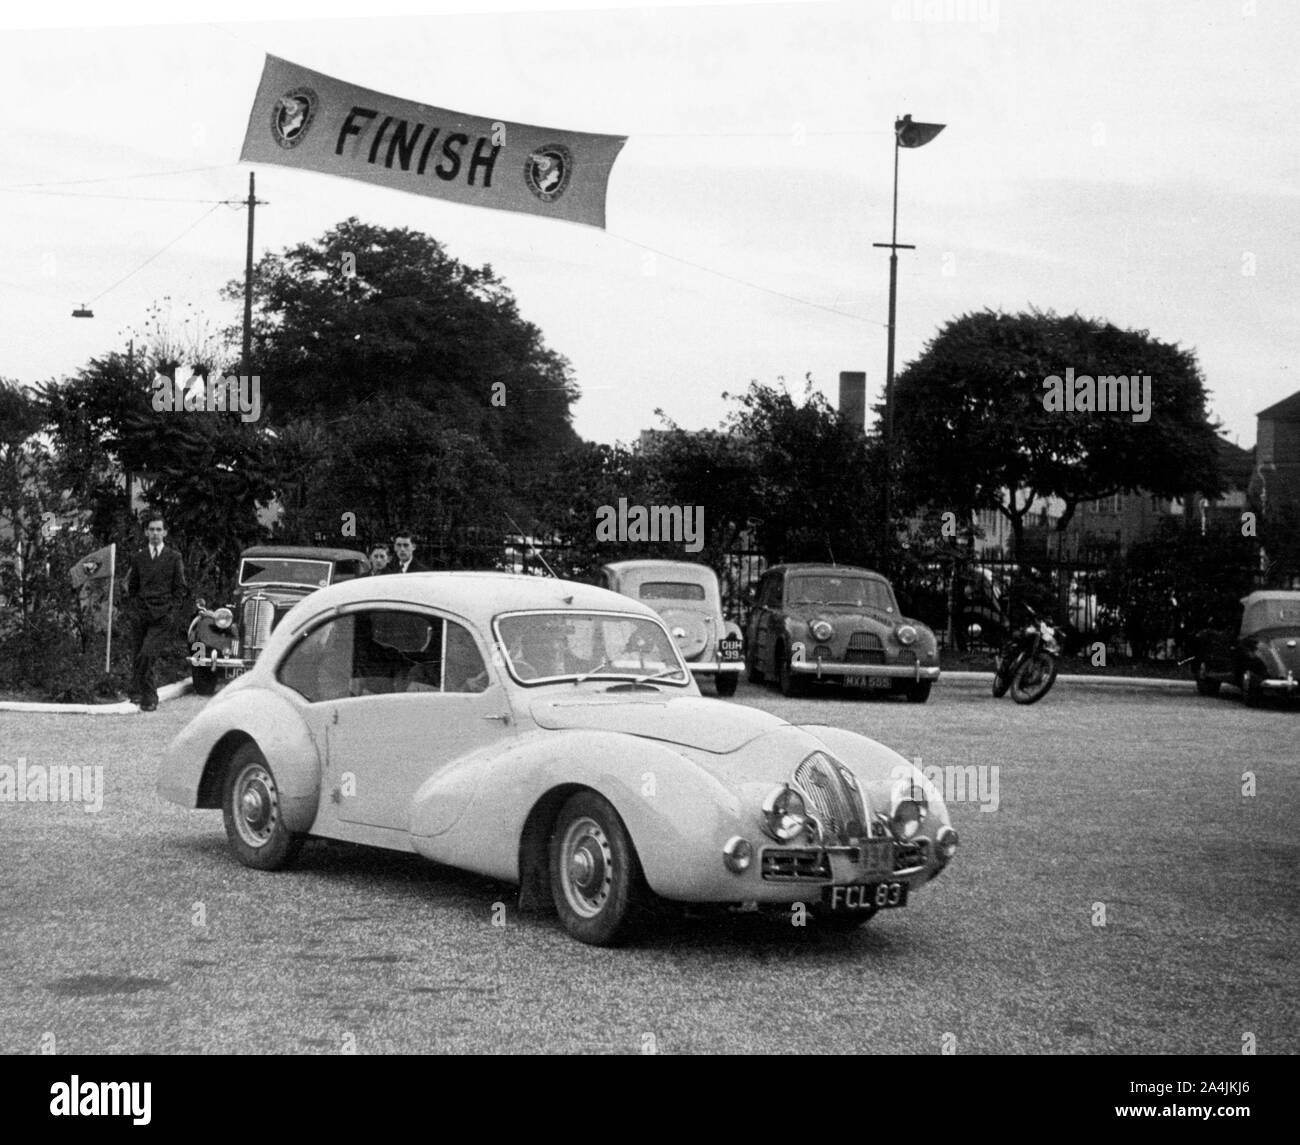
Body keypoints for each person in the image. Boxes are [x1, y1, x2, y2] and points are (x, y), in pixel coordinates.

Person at [124, 514, 189, 711]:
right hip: (142, 613)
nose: (155, 534)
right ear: (146, 532)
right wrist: (135, 609)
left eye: (159, 530)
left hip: (162, 615)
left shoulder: (173, 557)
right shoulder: (139, 558)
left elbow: (180, 588)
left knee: (147, 653)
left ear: (165, 533)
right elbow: (133, 587)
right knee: (139, 654)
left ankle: (140, 689)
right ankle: (146, 696)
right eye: (151, 529)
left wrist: (171, 611)